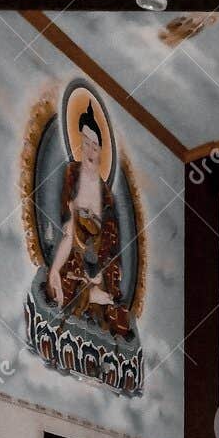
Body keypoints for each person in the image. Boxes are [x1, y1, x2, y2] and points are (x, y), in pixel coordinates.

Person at [45, 100, 133, 339]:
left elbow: (112, 246)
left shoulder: (106, 195)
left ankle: (92, 294)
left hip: (100, 261)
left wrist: (100, 273)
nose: (90, 152)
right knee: (56, 284)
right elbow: (69, 231)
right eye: (85, 144)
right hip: (75, 253)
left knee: (116, 309)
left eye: (95, 146)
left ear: (102, 150)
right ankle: (87, 294)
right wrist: (54, 269)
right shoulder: (72, 175)